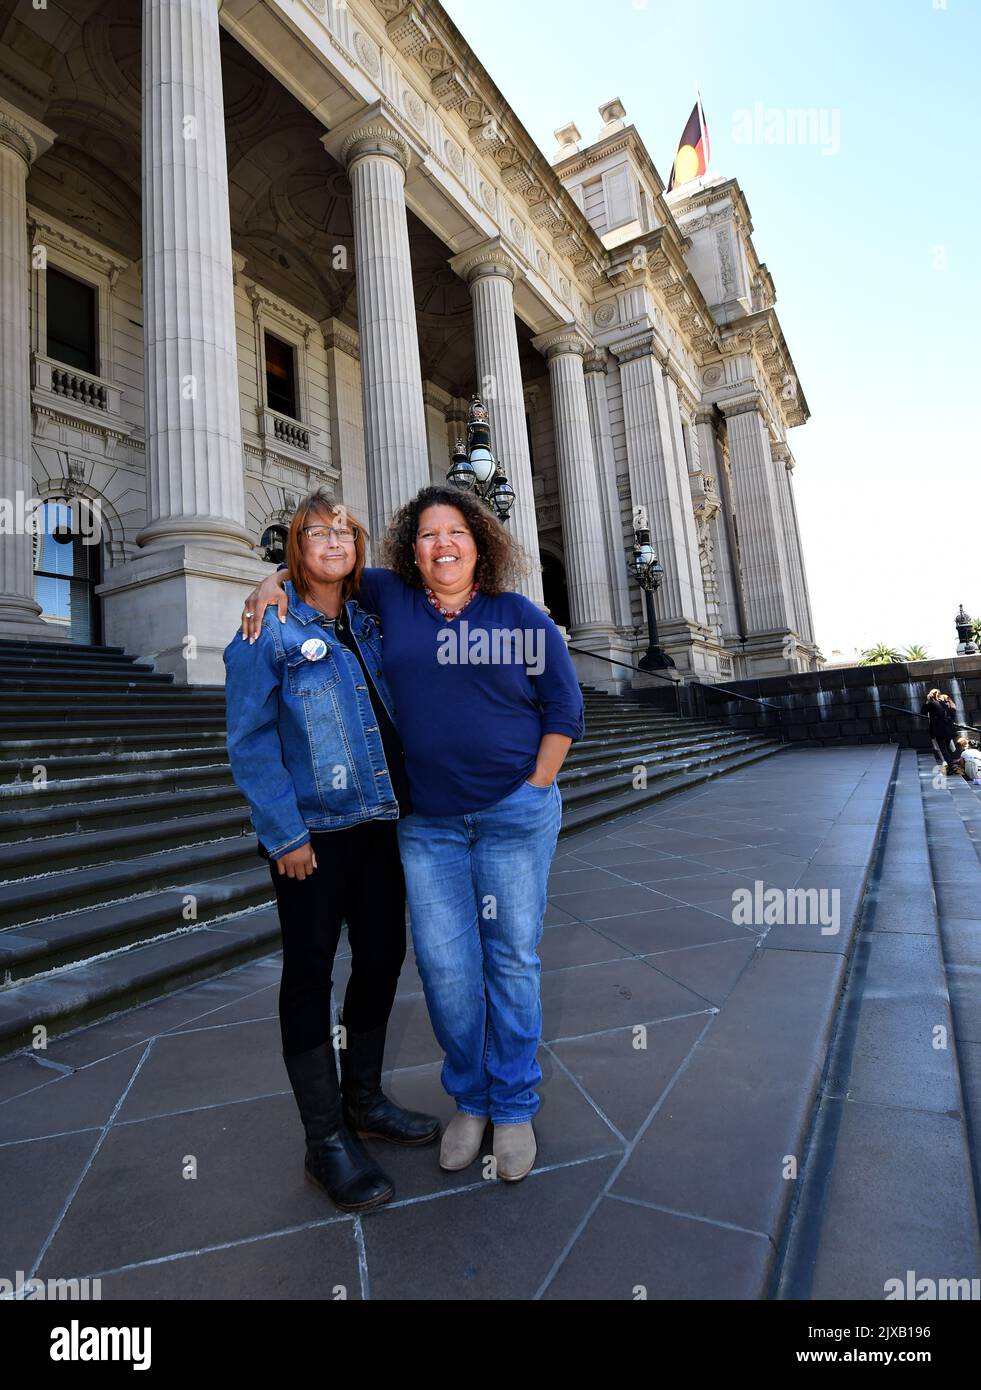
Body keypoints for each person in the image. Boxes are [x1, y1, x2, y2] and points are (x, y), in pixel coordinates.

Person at [242, 485, 585, 1183]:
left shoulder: (516, 615)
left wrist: (535, 789)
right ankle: (473, 1099)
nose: (441, 545)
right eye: (427, 535)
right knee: (447, 971)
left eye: (454, 531)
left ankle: (513, 1106)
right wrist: (266, 581)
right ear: (411, 551)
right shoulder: (391, 600)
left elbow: (564, 706)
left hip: (512, 817)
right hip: (428, 827)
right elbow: (319, 563)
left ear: (478, 542)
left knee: (511, 961)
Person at [223, 490, 439, 1216]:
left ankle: (364, 1100)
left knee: (380, 958)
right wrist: (282, 835)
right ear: (295, 547)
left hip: (381, 824)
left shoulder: (370, 622)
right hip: (312, 837)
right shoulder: (267, 631)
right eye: (318, 532)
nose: (335, 540)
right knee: (309, 974)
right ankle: (324, 1142)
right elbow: (250, 743)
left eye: (345, 530)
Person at [923, 688, 960, 773]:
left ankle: (951, 766)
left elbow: (923, 711)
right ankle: (953, 764)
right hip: (949, 729)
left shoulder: (931, 703)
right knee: (947, 747)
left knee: (943, 748)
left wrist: (927, 702)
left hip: (939, 730)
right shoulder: (944, 703)